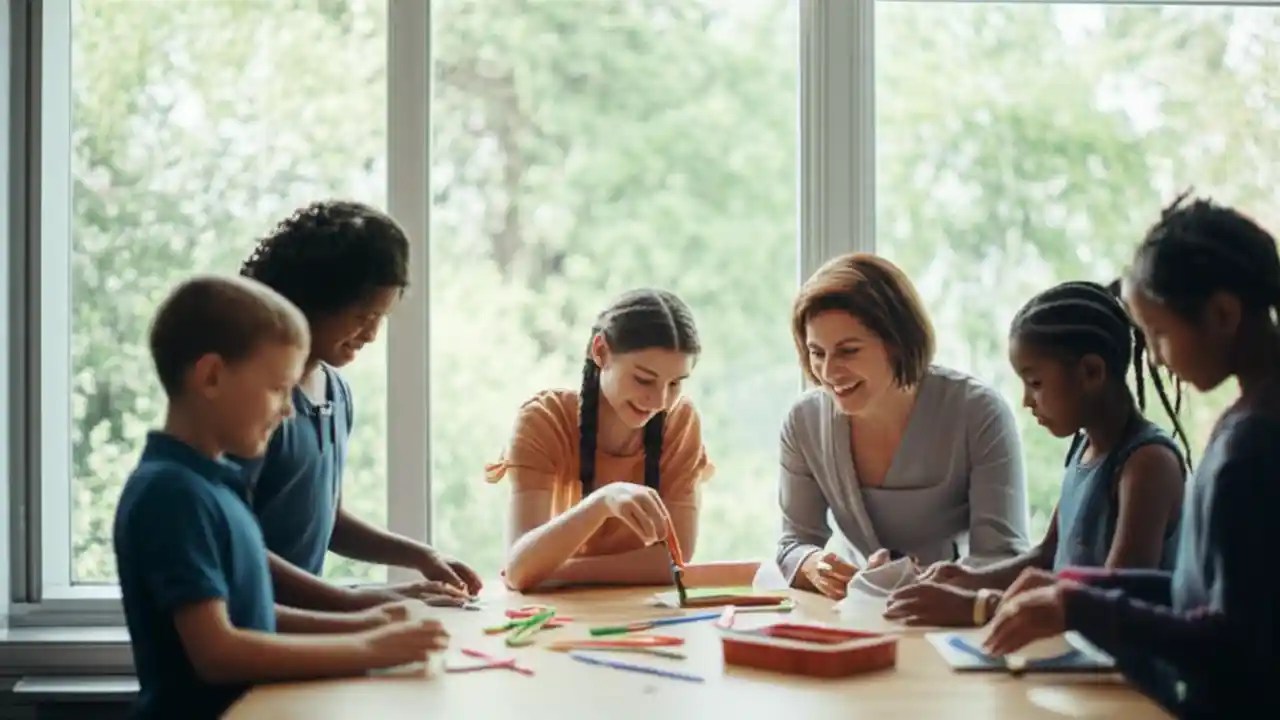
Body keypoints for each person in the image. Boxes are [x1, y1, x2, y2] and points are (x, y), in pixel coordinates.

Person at [983, 195, 1280, 718]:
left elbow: (1231, 641)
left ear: (1223, 314)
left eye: (1160, 334)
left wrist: (1077, 603)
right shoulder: (1245, 423)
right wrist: (1073, 588)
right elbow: (1198, 596)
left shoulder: (1254, 445)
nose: (1157, 357)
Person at [114, 275, 448, 720]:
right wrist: (367, 646)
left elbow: (249, 615)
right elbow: (219, 653)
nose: (289, 409)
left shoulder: (215, 485)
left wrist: (368, 620)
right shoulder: (172, 494)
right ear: (211, 376)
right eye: (277, 389)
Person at [884, 280, 1188, 626]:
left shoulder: (1147, 464)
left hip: (1123, 674)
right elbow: (1047, 555)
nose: (1027, 401)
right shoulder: (1084, 446)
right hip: (1077, 655)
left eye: (1036, 383)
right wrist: (967, 579)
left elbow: (1113, 602)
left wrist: (979, 607)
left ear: (1091, 372)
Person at [239, 200, 479, 610]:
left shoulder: (335, 392)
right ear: (312, 297)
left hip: (297, 627)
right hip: (255, 633)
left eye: (381, 318)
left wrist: (420, 556)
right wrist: (367, 600)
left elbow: (326, 519)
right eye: (363, 315)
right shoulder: (253, 401)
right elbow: (237, 548)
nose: (371, 335)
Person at [778, 252, 1030, 600]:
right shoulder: (804, 422)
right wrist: (814, 565)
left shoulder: (979, 413)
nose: (829, 373)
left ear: (897, 342)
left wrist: (912, 581)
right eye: (816, 353)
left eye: (848, 351)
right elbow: (794, 543)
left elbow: (1002, 555)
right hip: (853, 615)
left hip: (953, 617)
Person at [487, 289, 753, 591]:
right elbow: (520, 569)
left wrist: (557, 570)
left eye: (675, 383)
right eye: (643, 379)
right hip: (556, 618)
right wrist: (601, 503)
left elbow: (674, 562)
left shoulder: (679, 421)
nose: (660, 401)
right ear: (600, 351)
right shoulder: (544, 420)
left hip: (644, 617)